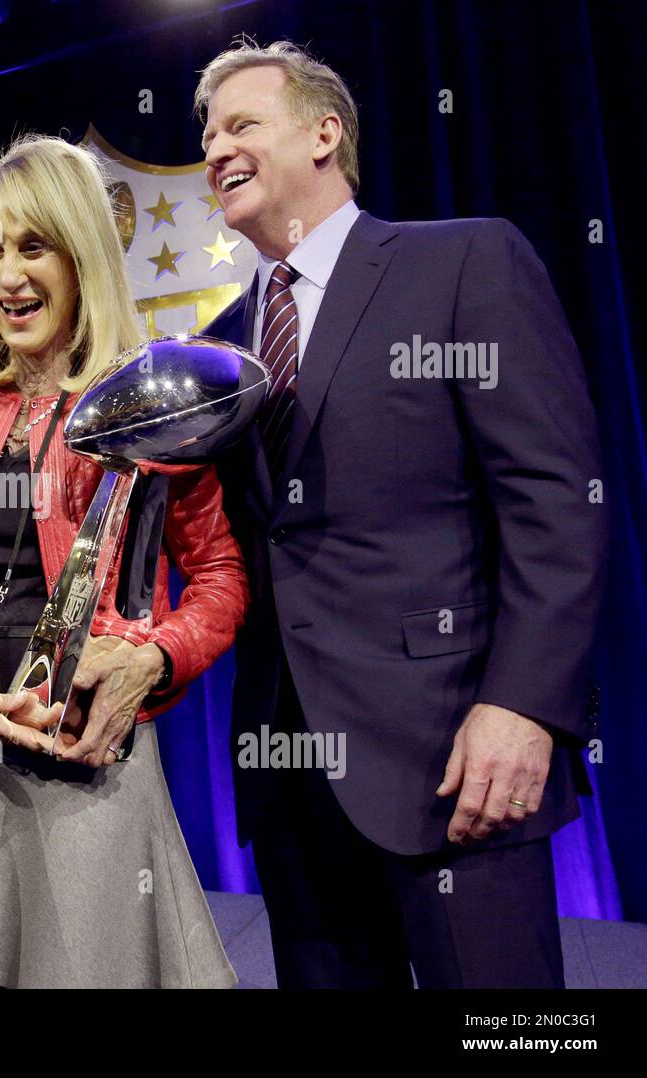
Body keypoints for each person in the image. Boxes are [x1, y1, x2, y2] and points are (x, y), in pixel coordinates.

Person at [195, 39, 607, 988]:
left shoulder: (463, 260)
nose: (216, 149)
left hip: (459, 759)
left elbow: (556, 500)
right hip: (291, 779)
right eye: (208, 133)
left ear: (325, 133)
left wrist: (525, 708)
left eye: (242, 124)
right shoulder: (216, 351)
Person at [0, 134, 248, 988]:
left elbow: (219, 578)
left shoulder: (149, 397)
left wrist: (152, 658)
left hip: (90, 767)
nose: (7, 275)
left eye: (33, 246)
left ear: (80, 257)